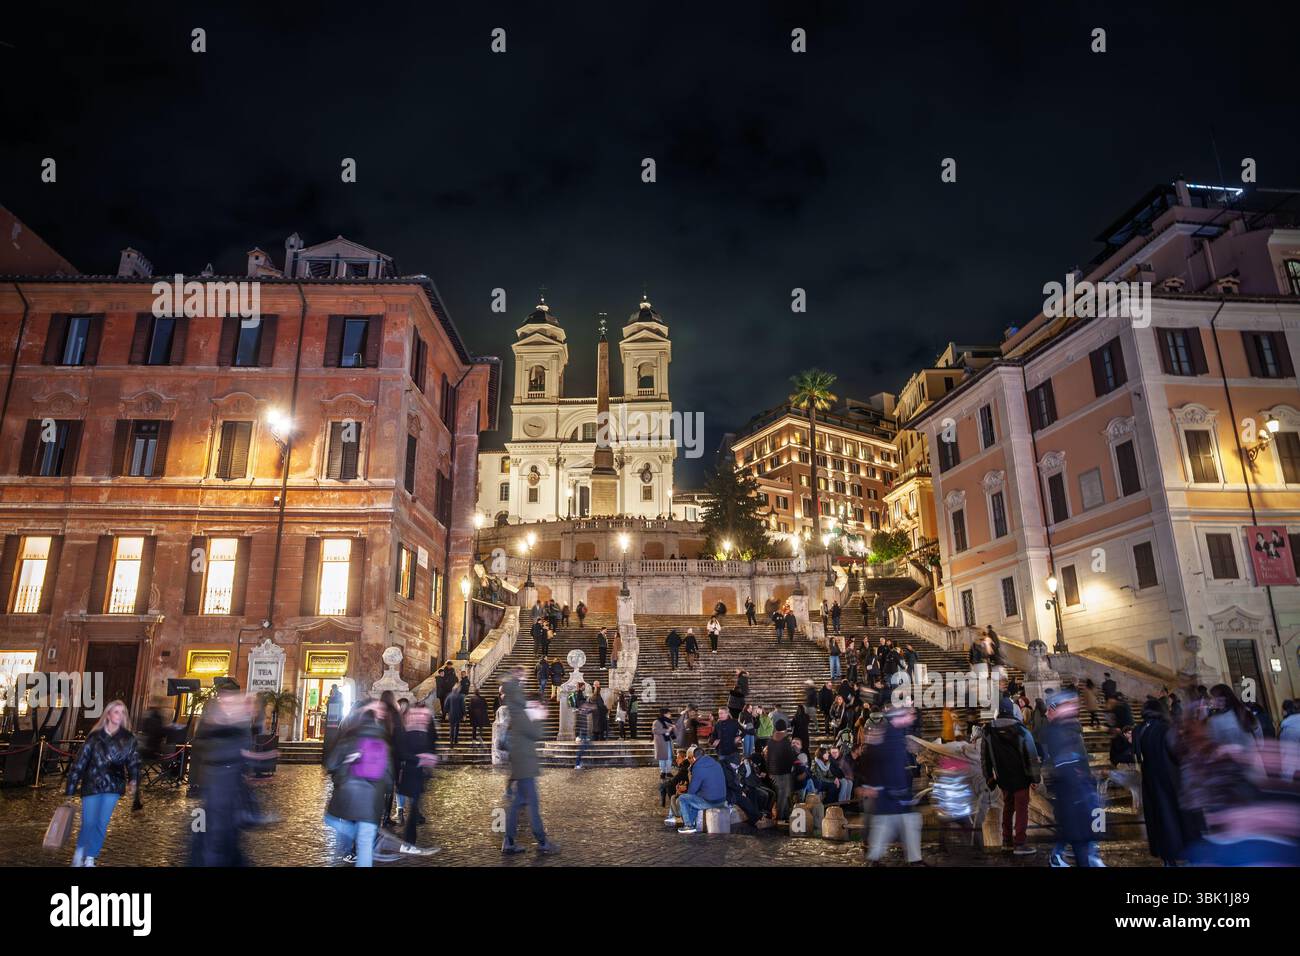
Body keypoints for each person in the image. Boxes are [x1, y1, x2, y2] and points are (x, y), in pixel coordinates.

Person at [65, 700, 140, 867]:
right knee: (88, 822)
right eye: (116, 712)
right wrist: (71, 788)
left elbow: (133, 762)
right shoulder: (94, 736)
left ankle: (91, 856)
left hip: (113, 785)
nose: (120, 715)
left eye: (122, 712)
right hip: (92, 783)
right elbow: (80, 762)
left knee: (102, 823)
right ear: (108, 714)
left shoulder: (129, 738)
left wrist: (133, 779)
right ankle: (80, 850)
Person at [324, 700, 393, 866]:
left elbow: (331, 764)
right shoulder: (383, 742)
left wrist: (345, 767)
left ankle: (353, 833)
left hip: (348, 795)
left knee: (330, 819)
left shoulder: (349, 738)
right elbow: (389, 779)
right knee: (365, 845)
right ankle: (366, 838)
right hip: (373, 801)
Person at [1042, 689, 1102, 867]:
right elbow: (1064, 763)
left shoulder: (1070, 727)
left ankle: (1080, 855)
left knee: (1078, 832)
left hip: (1079, 790)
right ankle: (1065, 856)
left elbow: (1078, 756)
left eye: (1074, 704)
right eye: (1068, 704)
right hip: (1073, 792)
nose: (1074, 707)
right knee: (1076, 833)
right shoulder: (1057, 731)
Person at [501, 667, 558, 855]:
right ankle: (542, 842)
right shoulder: (522, 714)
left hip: (522, 764)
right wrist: (538, 717)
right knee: (533, 805)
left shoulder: (519, 711)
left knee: (518, 804)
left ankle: (509, 841)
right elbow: (536, 734)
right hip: (525, 765)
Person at [1133, 697, 1189, 865]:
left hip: (1150, 780)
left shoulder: (1138, 729)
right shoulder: (1166, 728)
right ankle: (1182, 854)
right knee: (1174, 819)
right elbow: (1178, 754)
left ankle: (1167, 858)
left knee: (1157, 819)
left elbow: (1137, 755)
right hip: (1170, 780)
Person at [980, 706, 1040, 855]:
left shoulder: (988, 731)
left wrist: (989, 777)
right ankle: (1020, 843)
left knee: (1008, 807)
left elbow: (984, 757)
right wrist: (1035, 778)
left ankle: (1007, 842)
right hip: (1021, 777)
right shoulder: (1022, 730)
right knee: (1021, 809)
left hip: (1003, 778)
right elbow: (1032, 755)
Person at [394, 700, 439, 856]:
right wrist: (423, 759)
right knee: (414, 807)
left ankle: (408, 842)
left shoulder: (407, 725)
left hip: (410, 770)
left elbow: (401, 749)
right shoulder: (423, 726)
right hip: (415, 770)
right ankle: (408, 843)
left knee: (414, 806)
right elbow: (432, 741)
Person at [676, 745, 728, 834]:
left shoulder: (697, 767)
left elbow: (692, 791)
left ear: (694, 758)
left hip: (711, 802)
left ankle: (688, 825)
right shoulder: (716, 763)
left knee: (683, 798)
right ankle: (692, 822)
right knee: (696, 797)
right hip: (722, 799)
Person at [765, 720, 796, 821]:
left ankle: (785, 815)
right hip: (784, 771)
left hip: (773, 771)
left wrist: (769, 770)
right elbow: (789, 757)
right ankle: (780, 817)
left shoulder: (771, 740)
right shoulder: (785, 741)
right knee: (784, 794)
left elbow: (768, 757)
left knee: (781, 793)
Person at [653, 707, 675, 776]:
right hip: (661, 742)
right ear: (664, 714)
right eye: (669, 713)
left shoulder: (669, 721)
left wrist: (674, 729)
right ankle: (662, 771)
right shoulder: (657, 722)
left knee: (669, 757)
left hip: (668, 741)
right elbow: (655, 731)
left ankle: (668, 771)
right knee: (662, 757)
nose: (670, 715)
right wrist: (666, 730)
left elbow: (673, 730)